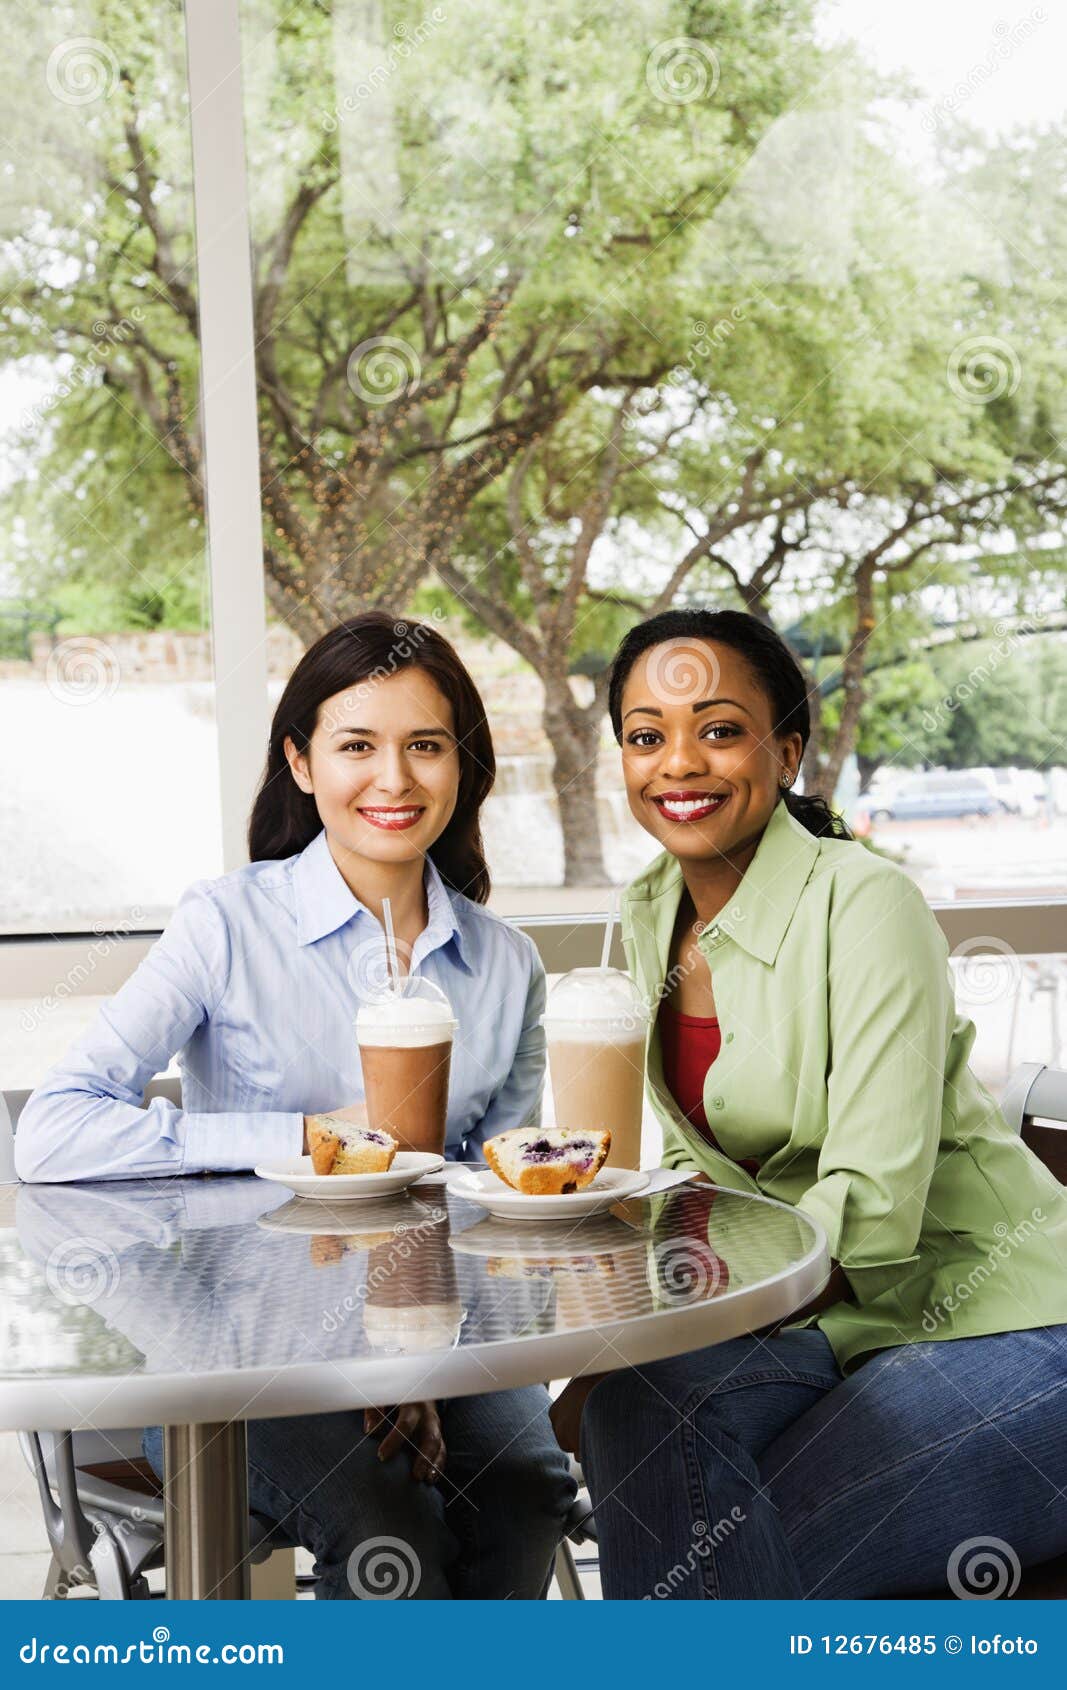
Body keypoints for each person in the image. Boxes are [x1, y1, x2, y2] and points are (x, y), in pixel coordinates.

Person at [16, 611, 575, 1599]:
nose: (392, 779)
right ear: (301, 762)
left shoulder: (504, 963)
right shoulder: (225, 923)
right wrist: (305, 1143)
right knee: (387, 1512)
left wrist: (419, 1367)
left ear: (464, 765)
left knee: (529, 1482)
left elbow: (491, 1210)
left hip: (437, 1338)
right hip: (237, 1357)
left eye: (425, 746)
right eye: (356, 745)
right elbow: (53, 1128)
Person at [551, 607, 1067, 1600]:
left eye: (718, 728)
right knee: (632, 1409)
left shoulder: (865, 902)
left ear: (785, 749)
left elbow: (868, 1206)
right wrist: (611, 1348)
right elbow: (705, 1178)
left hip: (1003, 1321)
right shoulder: (648, 908)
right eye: (645, 735)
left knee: (736, 1552)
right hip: (835, 1327)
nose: (678, 763)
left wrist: (678, 1314)